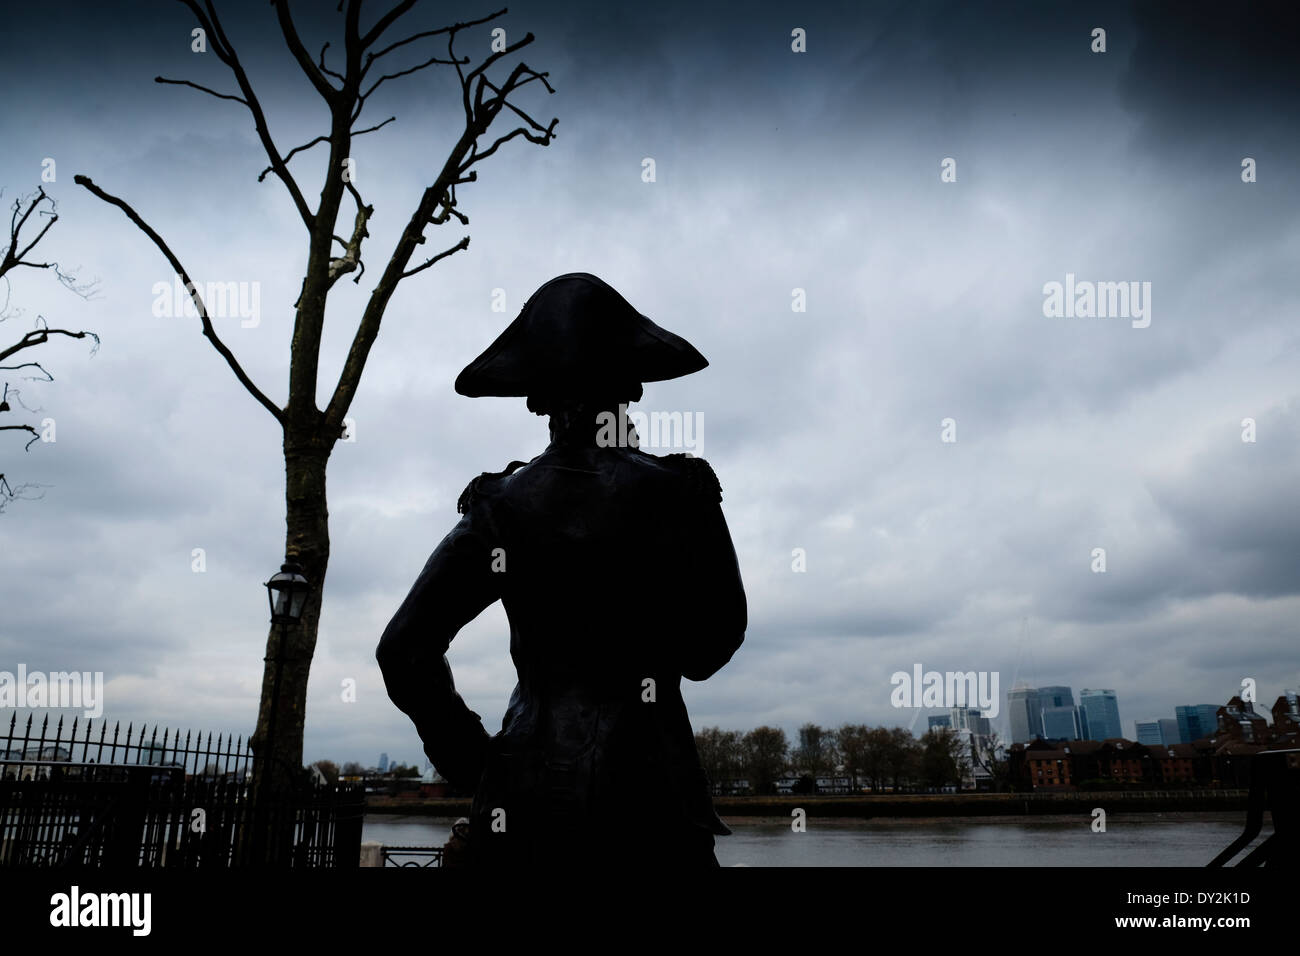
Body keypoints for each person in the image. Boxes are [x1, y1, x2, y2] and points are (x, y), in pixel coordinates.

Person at [376, 273, 746, 868]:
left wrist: (482, 766)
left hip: (527, 797)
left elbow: (404, 650)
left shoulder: (500, 506)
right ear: (631, 388)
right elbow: (710, 648)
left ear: (537, 397)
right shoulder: (683, 495)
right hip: (653, 798)